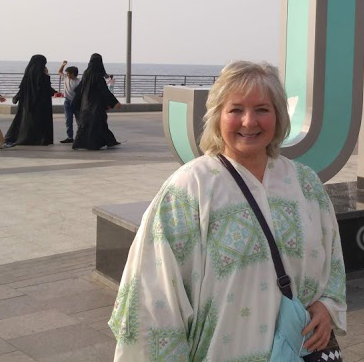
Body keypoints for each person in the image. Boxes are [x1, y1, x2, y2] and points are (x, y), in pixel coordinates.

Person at [110, 61, 346, 360]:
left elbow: (333, 258)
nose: (249, 122)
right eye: (236, 110)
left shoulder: (306, 183)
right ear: (217, 117)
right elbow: (152, 292)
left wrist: (327, 305)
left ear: (278, 116)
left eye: (262, 109)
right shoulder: (190, 187)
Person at [72, 53, 121, 150]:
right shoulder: (98, 76)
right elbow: (104, 91)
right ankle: (94, 144)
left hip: (85, 104)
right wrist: (114, 102)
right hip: (96, 105)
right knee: (99, 124)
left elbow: (80, 89)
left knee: (89, 125)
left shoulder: (86, 74)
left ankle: (110, 141)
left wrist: (76, 102)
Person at [4, 54, 55, 146]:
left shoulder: (28, 72)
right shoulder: (41, 74)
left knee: (25, 120)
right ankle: (38, 139)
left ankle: (23, 137)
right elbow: (45, 88)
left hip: (27, 102)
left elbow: (23, 87)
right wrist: (47, 75)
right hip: (40, 103)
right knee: (39, 121)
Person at [57, 61, 80, 143]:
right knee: (68, 120)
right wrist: (63, 65)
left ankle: (80, 137)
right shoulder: (66, 78)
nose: (66, 75)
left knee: (79, 120)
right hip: (67, 101)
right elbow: (60, 72)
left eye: (68, 73)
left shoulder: (79, 82)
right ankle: (70, 137)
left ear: (73, 74)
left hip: (77, 103)